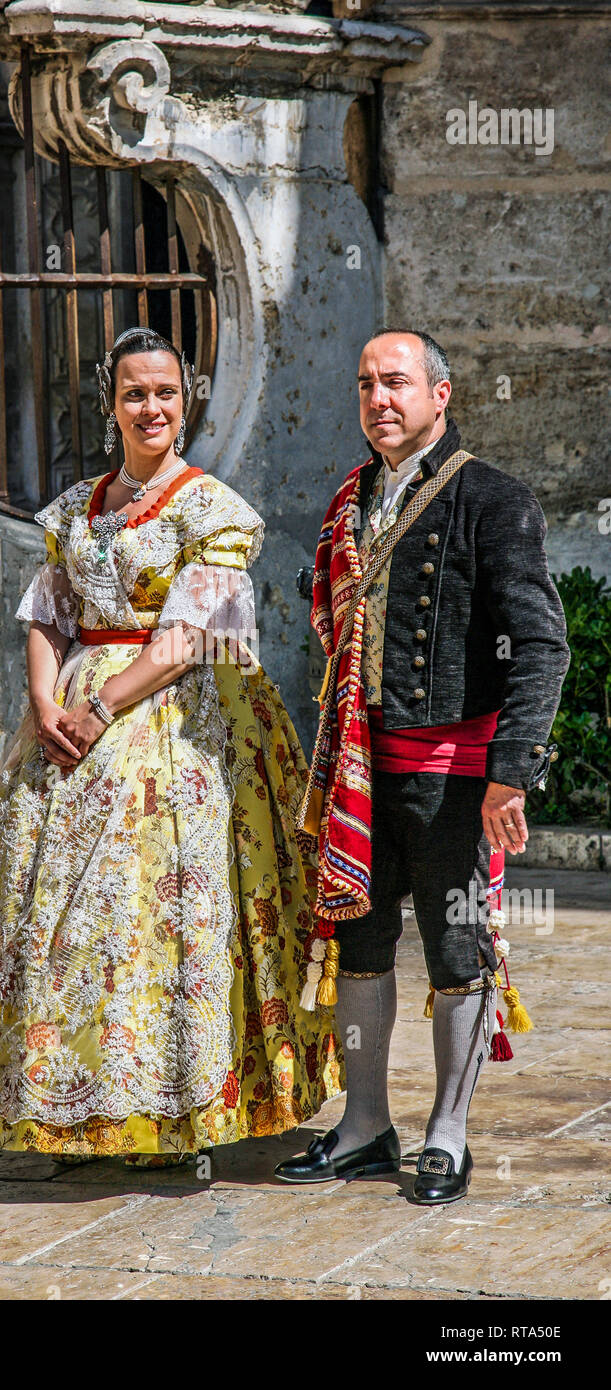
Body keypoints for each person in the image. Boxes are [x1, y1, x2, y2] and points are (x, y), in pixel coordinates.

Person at [0, 327, 341, 1163]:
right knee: (54, 910)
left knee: (159, 903)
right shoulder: (77, 507)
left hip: (179, 719)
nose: (153, 407)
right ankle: (63, 1095)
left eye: (167, 393)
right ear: (111, 405)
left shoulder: (211, 509)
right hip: (71, 709)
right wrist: (44, 703)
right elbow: (47, 611)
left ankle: (178, 1106)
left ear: (188, 403)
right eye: (135, 393)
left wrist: (100, 707)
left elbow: (186, 639)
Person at [275, 329, 569, 1202]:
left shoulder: (494, 498)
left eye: (395, 382)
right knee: (358, 946)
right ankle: (364, 1127)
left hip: (453, 780)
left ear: (440, 394)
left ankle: (447, 1130)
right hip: (361, 777)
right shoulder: (349, 498)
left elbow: (541, 645)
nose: (379, 399)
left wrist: (511, 772)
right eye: (366, 384)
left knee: (454, 950)